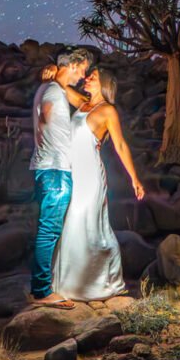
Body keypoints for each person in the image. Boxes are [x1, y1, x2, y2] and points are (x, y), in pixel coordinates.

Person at [50, 65, 145, 301]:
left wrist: (134, 178)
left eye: (92, 77)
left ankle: (106, 282)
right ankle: (71, 286)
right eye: (88, 76)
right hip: (73, 172)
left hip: (91, 174)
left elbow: (120, 145)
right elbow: (62, 86)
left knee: (91, 224)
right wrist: (54, 73)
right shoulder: (82, 102)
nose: (87, 79)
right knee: (71, 224)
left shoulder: (108, 111)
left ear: (104, 83)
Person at [29, 48, 92, 307]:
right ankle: (42, 291)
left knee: (49, 229)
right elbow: (46, 116)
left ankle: (43, 286)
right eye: (84, 69)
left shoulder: (50, 88)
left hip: (47, 168)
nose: (84, 75)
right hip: (55, 170)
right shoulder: (53, 91)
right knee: (49, 230)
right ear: (75, 64)